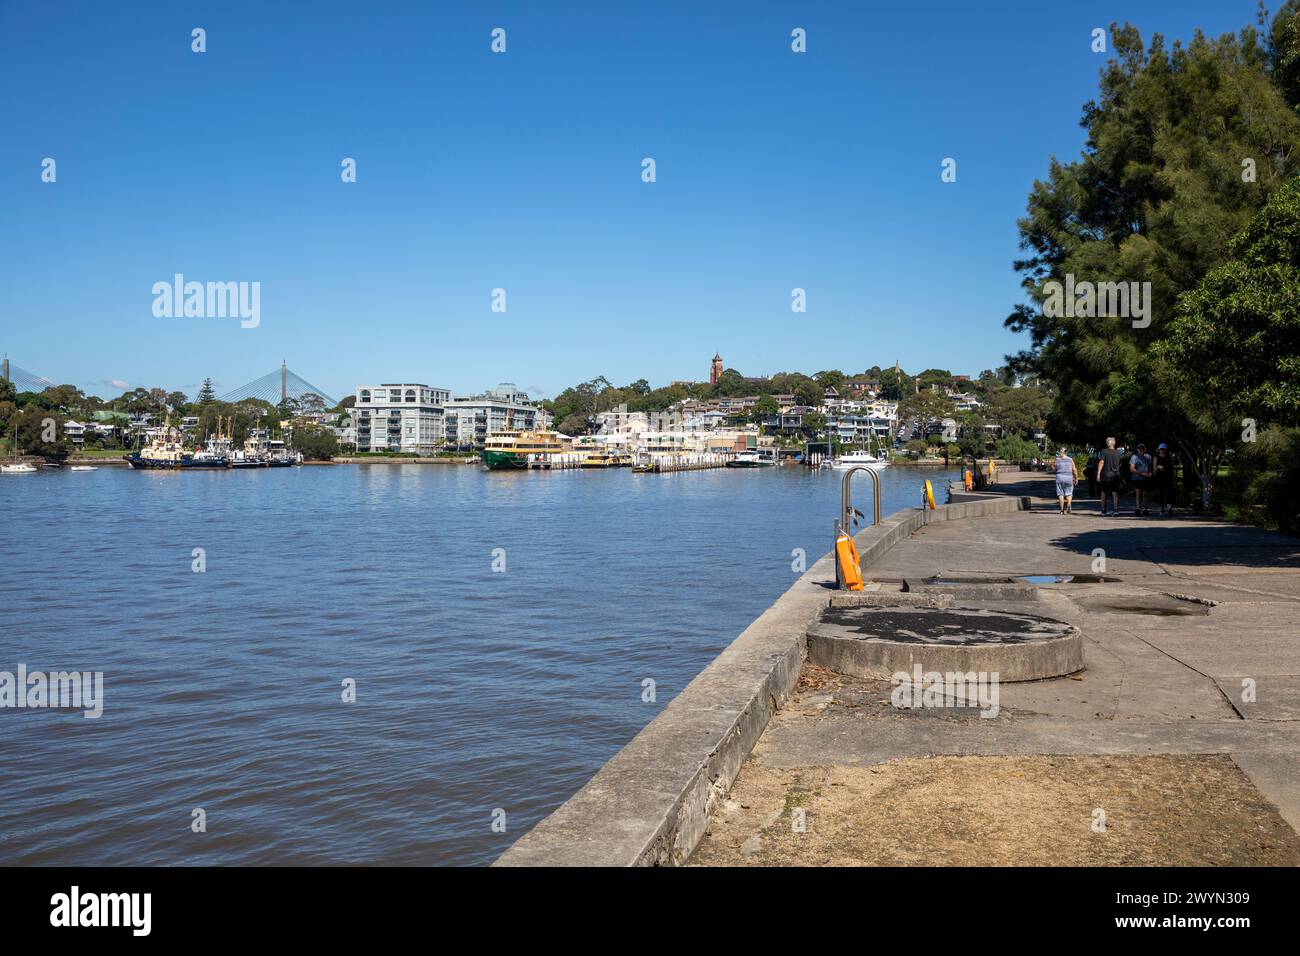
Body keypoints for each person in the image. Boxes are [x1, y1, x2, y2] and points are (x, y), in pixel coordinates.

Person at [1097, 437, 1122, 516]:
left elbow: (1101, 462)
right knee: (1115, 493)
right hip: (1115, 475)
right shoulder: (1118, 453)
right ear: (1114, 443)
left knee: (1104, 492)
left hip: (1106, 475)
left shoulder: (1104, 452)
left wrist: (1098, 474)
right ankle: (1115, 510)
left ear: (1107, 443)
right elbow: (1120, 464)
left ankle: (1103, 510)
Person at [1152, 442, 1175, 516]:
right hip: (1160, 477)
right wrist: (1158, 467)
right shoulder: (1156, 457)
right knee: (1161, 493)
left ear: (1166, 450)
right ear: (1159, 449)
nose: (1162, 450)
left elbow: (1172, 467)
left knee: (1169, 493)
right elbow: (1154, 470)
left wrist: (1173, 476)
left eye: (1164, 449)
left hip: (1168, 477)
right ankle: (1161, 509)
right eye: (1161, 449)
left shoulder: (1169, 456)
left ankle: (1169, 509)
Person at [1130, 443, 1153, 515]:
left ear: (1145, 449)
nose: (1141, 450)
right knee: (1138, 493)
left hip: (1146, 478)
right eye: (1140, 449)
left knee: (1145, 494)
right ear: (1137, 450)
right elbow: (1131, 469)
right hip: (1137, 478)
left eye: (1143, 449)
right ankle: (1138, 509)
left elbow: (1149, 466)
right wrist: (1141, 473)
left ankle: (1145, 509)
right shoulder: (1134, 457)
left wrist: (1150, 473)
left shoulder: (1148, 457)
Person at [1054, 447, 1078, 514]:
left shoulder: (1057, 459)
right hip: (1069, 478)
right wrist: (1076, 478)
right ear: (1066, 452)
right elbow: (1074, 470)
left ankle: (1062, 511)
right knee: (1069, 493)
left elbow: (1054, 468)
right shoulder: (1070, 460)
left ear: (1060, 452)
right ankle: (1069, 505)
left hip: (1059, 478)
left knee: (1060, 494)